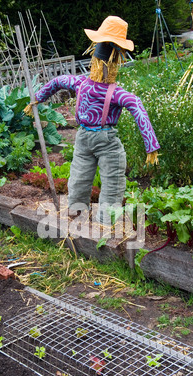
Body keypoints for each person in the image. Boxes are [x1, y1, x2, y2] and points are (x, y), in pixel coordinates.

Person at [29, 16, 160, 225]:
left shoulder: (80, 83)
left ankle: (80, 216)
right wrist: (151, 146)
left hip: (84, 138)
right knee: (110, 183)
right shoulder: (117, 93)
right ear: (117, 60)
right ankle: (102, 225)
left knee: (81, 179)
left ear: (94, 56)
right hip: (103, 140)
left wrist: (37, 98)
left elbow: (57, 81)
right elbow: (138, 107)